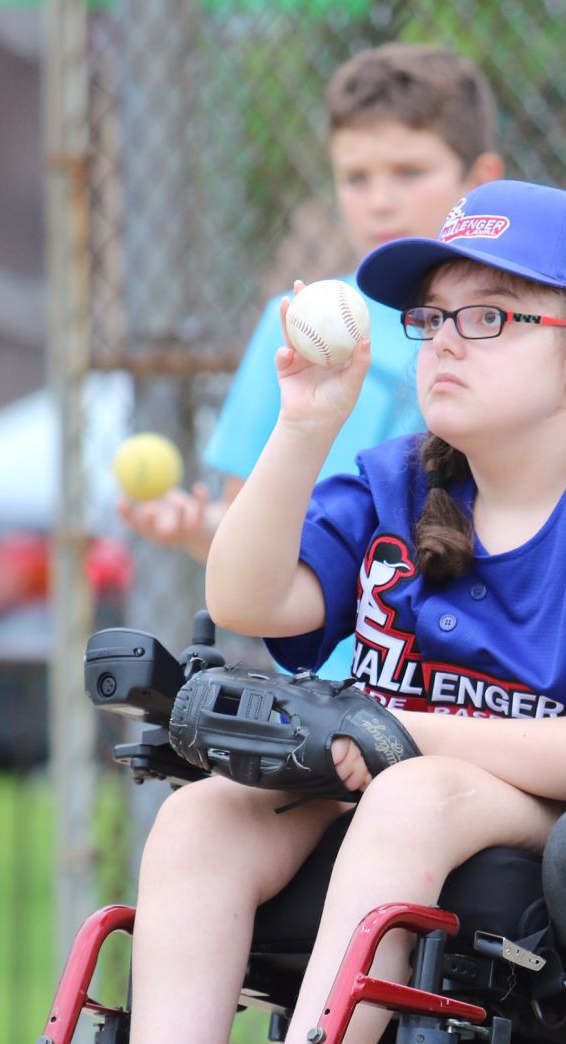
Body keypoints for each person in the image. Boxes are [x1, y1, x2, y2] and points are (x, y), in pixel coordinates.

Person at [0, 180, 566, 1044]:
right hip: (397, 783)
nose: (444, 342)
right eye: (433, 318)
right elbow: (247, 598)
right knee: (202, 815)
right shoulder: (398, 478)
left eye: (489, 317)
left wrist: (405, 730)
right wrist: (304, 425)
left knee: (413, 791)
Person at [116, 43, 504, 621]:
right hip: (321, 667)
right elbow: (250, 531)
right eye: (355, 178)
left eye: (408, 172)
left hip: (460, 657)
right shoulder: (294, 325)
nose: (379, 202)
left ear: (481, 179)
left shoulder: (509, 333)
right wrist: (195, 527)